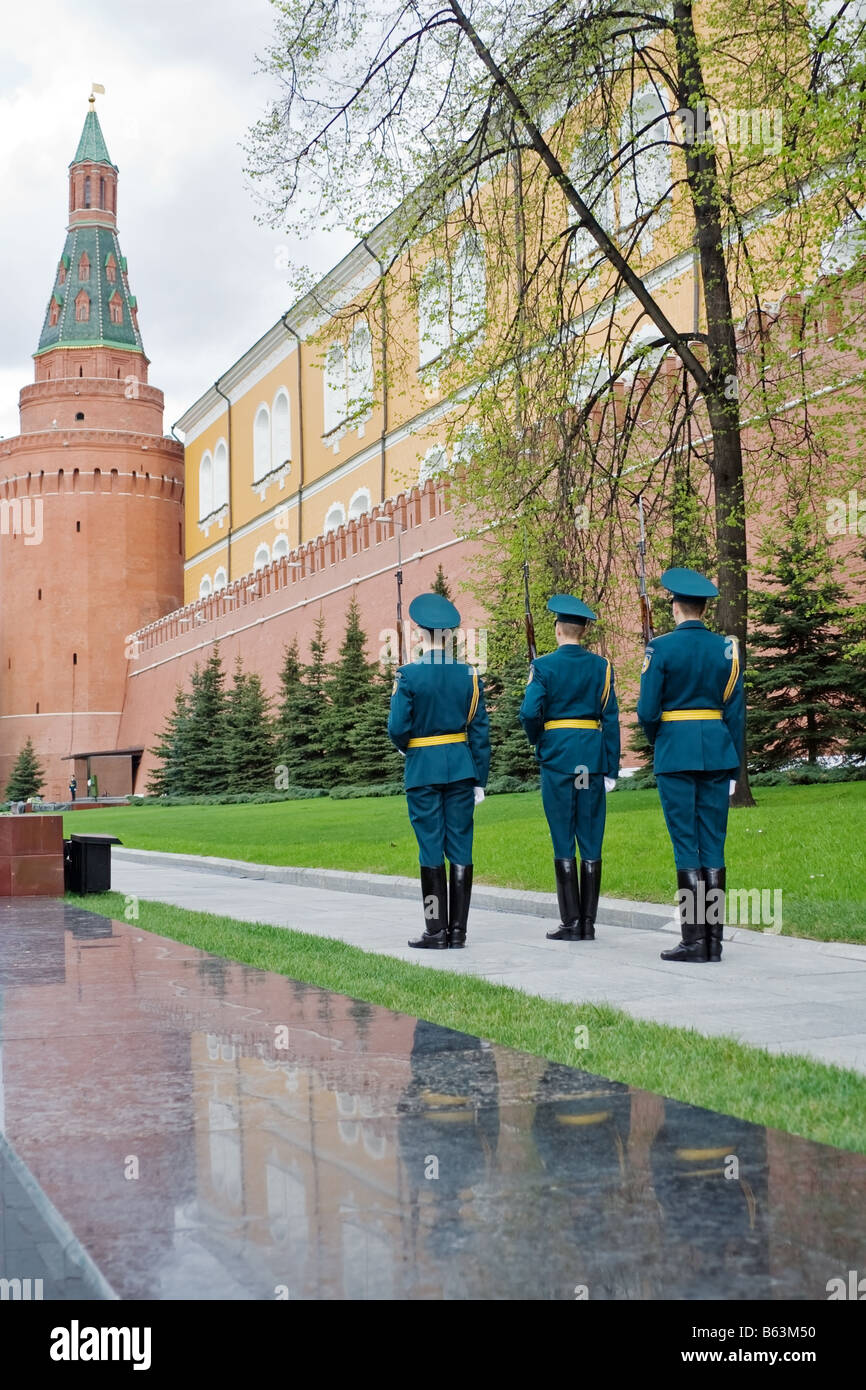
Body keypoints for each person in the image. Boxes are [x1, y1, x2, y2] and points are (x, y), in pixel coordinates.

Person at [636, 567, 745, 963]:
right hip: (717, 751)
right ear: (702, 608)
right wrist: (733, 768)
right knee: (713, 846)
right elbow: (735, 714)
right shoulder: (726, 649)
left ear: (675, 607)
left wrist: (661, 740)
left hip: (676, 754)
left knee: (686, 845)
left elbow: (647, 711)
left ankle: (693, 940)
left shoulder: (660, 649)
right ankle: (712, 941)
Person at [387, 593, 491, 950]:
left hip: (423, 770)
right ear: (449, 636)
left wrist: (409, 747)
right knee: (461, 846)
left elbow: (397, 726)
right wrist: (480, 778)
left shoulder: (408, 675)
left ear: (420, 635)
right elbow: (479, 732)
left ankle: (435, 931)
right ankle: (458, 931)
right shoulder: (470, 675)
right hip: (462, 769)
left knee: (430, 848)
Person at [519, 595, 620, 941]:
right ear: (583, 631)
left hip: (559, 760)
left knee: (563, 836)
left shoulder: (544, 666)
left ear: (558, 629)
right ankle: (589, 924)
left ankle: (570, 922)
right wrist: (611, 769)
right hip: (589, 762)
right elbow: (611, 719)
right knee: (590, 838)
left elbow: (530, 713)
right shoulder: (601, 667)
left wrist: (540, 740)